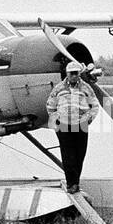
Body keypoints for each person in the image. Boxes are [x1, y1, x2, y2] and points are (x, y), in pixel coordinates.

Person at [46, 58, 98, 194]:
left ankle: (76, 182)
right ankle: (71, 184)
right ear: (67, 74)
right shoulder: (59, 88)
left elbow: (95, 106)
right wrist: (56, 122)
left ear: (79, 74)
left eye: (76, 73)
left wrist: (89, 119)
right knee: (68, 155)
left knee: (80, 155)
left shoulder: (86, 88)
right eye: (71, 73)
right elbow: (50, 106)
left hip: (81, 125)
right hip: (64, 125)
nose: (74, 76)